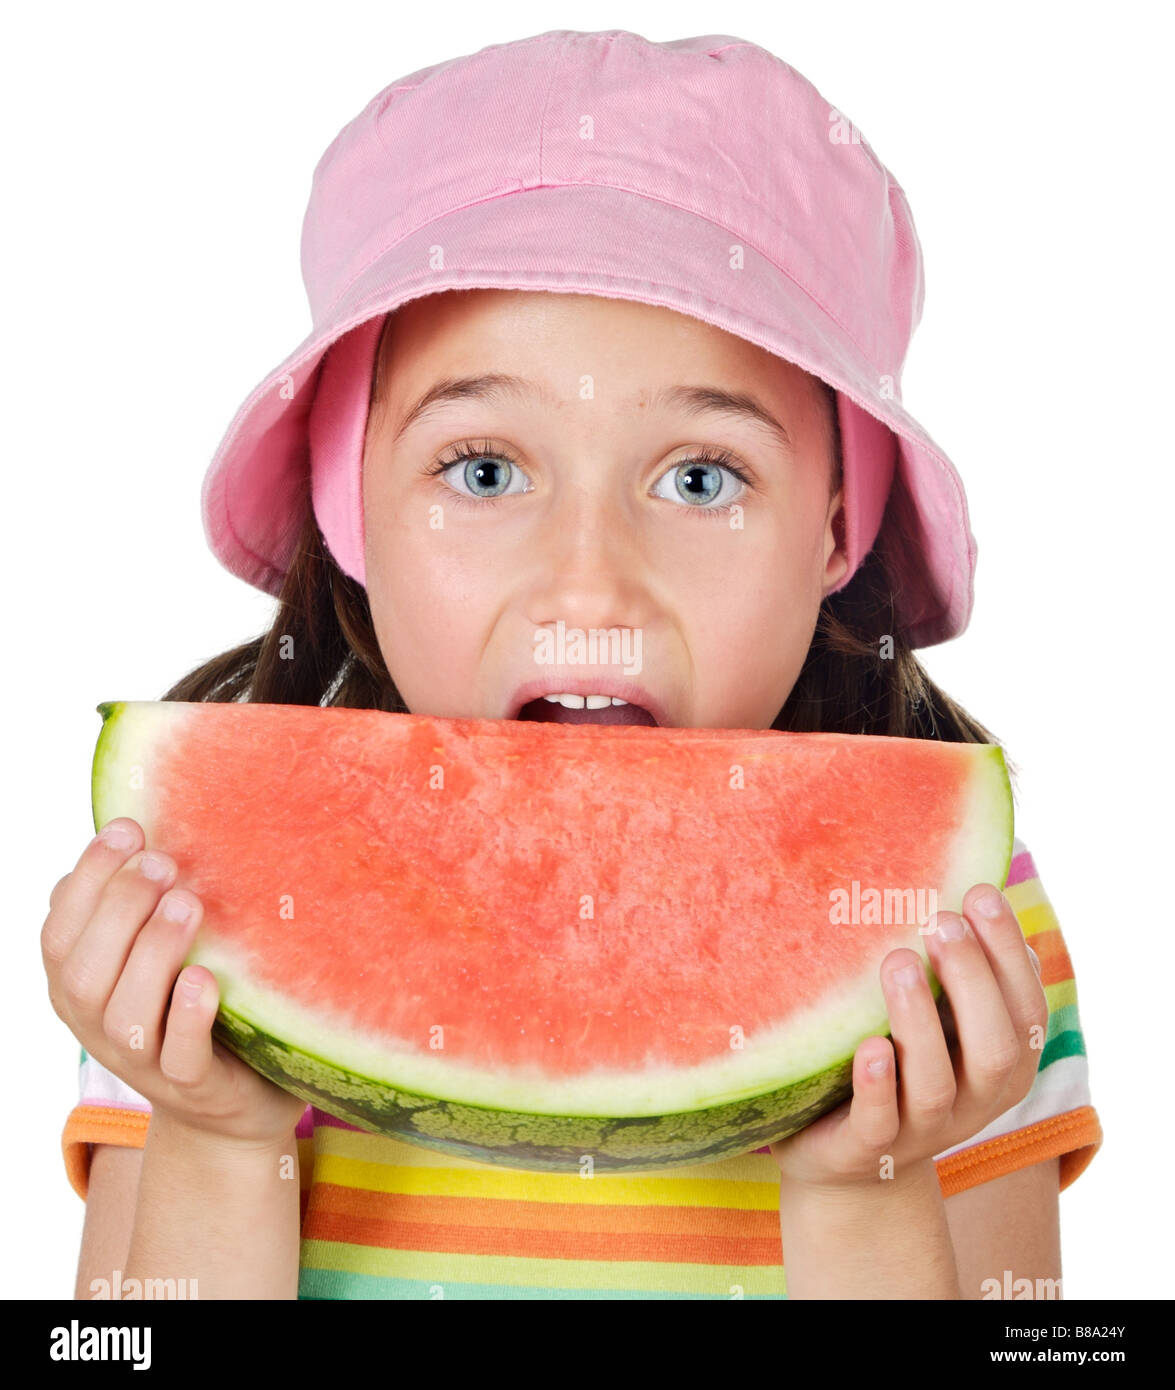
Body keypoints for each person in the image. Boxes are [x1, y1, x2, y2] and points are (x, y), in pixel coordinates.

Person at [43, 29, 1101, 1300]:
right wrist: (220, 1138)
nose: (588, 582)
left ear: (834, 525)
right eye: (483, 470)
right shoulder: (194, 914)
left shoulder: (951, 931)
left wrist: (864, 1195)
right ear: (347, 509)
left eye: (699, 478)